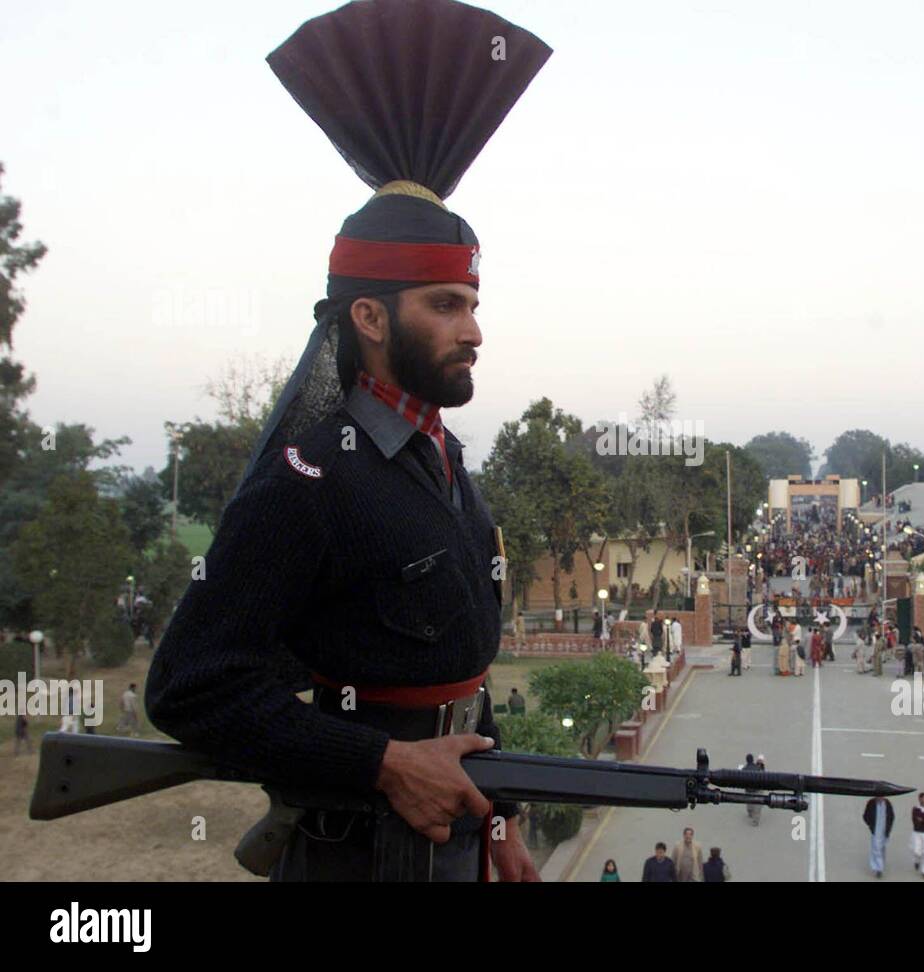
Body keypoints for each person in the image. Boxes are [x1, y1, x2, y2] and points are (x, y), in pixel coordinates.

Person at [143, 0, 552, 883]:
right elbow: (189, 686)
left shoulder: (444, 463)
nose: (474, 330)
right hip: (357, 858)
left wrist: (499, 820)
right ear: (369, 316)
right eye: (446, 305)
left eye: (474, 304)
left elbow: (464, 673)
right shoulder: (312, 477)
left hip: (449, 842)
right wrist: (387, 764)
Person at [863, 796, 895, 878]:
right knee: (876, 848)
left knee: (882, 848)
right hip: (876, 830)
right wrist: (871, 825)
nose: (880, 798)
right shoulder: (871, 803)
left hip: (885, 830)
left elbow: (892, 816)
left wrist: (889, 828)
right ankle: (878, 869)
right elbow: (865, 816)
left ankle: (880, 865)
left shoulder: (887, 804)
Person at [740, 753, 762, 826]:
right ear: (753, 760)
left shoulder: (744, 769)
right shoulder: (758, 768)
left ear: (746, 760)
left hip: (748, 789)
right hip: (757, 789)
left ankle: (750, 813)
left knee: (749, 802)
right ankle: (755, 821)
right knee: (757, 805)